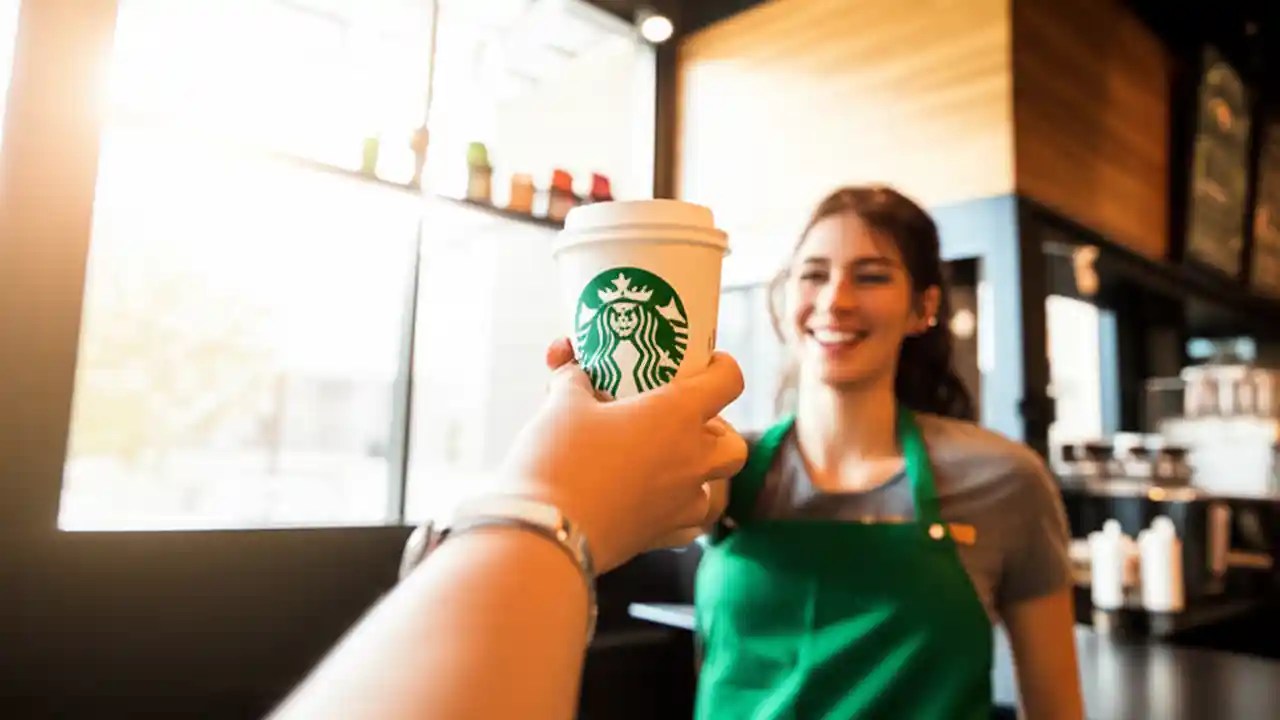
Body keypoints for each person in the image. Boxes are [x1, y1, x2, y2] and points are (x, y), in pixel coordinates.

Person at [690, 186, 1084, 719]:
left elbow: (1057, 710)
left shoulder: (1006, 482)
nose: (836, 300)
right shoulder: (724, 466)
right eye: (813, 274)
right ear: (784, 303)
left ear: (924, 308)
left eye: (871, 275)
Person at [269, 343, 748, 720]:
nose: (827, 300)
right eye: (812, 274)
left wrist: (550, 492)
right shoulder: (745, 458)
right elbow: (694, 498)